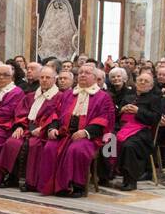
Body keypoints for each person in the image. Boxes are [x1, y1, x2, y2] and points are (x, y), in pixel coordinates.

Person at [33, 64, 115, 197]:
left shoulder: (103, 97)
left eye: (87, 73)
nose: (82, 75)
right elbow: (56, 113)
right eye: (80, 72)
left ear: (94, 78)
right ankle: (53, 186)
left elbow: (105, 119)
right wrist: (53, 128)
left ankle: (77, 186)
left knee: (76, 149)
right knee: (50, 147)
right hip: (65, 133)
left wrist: (86, 132)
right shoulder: (68, 94)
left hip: (89, 136)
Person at [0, 65, 58, 188]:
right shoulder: (31, 96)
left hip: (43, 132)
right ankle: (11, 176)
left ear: (54, 80)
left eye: (48, 77)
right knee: (12, 142)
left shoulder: (59, 97)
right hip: (27, 128)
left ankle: (32, 181)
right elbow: (22, 112)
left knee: (34, 145)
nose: (44, 80)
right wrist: (19, 126)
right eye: (42, 77)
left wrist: (43, 129)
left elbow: (57, 116)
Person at [111, 70, 163, 191]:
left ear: (151, 86)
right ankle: (107, 174)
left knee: (129, 146)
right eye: (140, 80)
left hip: (141, 131)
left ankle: (130, 180)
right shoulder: (128, 97)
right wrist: (122, 110)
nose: (142, 82)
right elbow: (114, 116)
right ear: (135, 82)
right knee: (108, 139)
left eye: (146, 81)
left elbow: (155, 118)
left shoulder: (154, 99)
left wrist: (138, 111)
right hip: (122, 128)